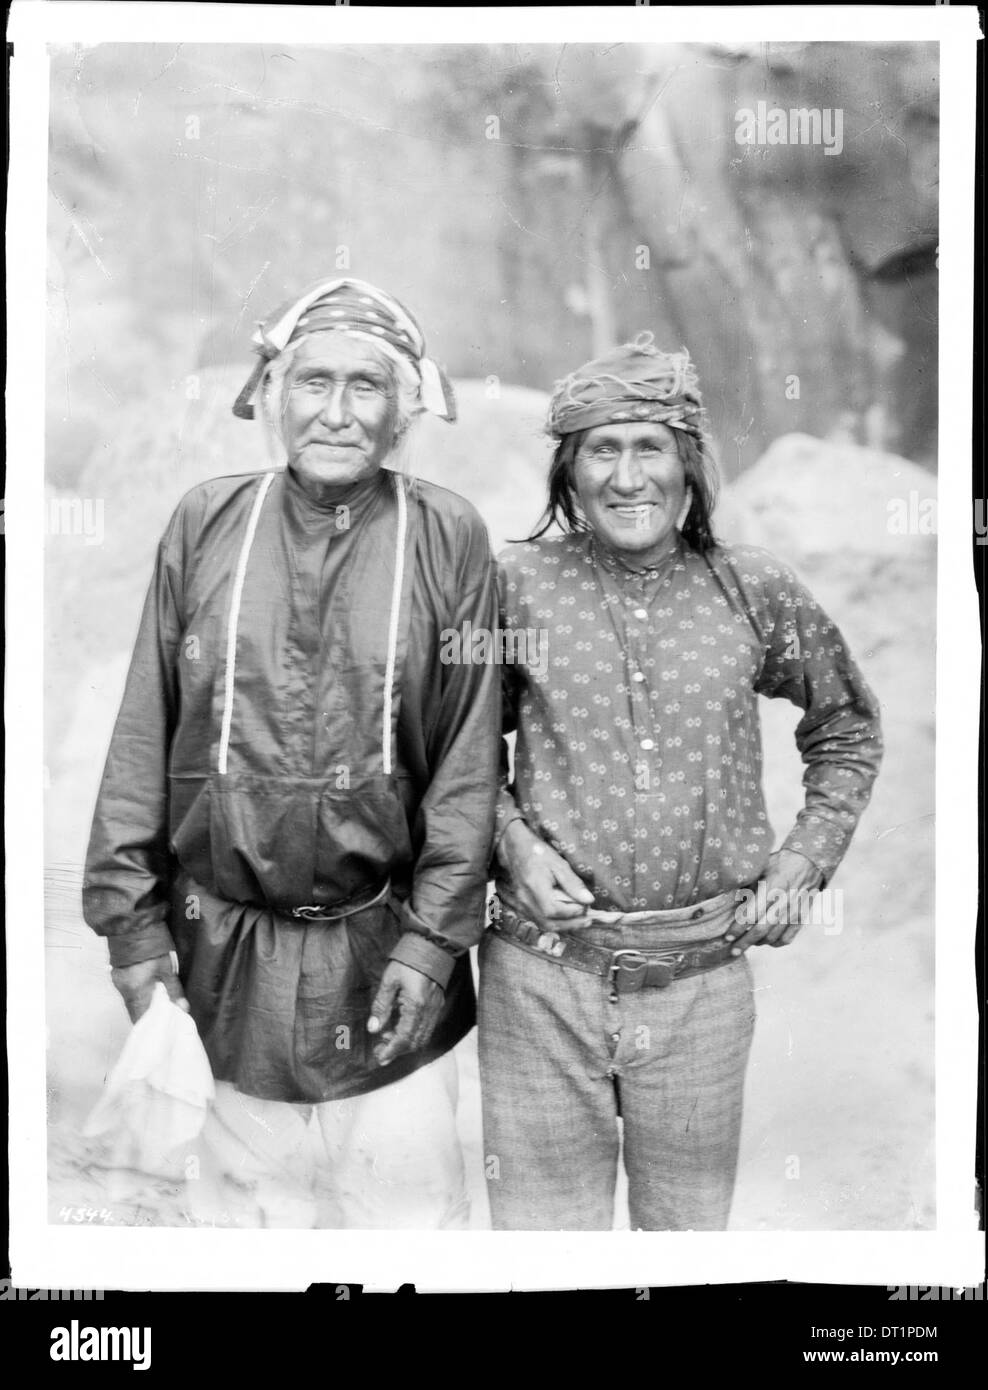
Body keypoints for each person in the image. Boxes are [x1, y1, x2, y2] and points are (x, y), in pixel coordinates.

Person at [83, 277, 500, 1229]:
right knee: (246, 1244)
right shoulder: (206, 521)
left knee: (410, 1242)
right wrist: (133, 928)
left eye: (368, 388)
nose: (339, 413)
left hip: (385, 956)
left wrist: (435, 944)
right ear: (274, 396)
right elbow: (144, 730)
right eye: (314, 384)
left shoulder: (447, 535)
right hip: (225, 965)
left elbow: (469, 759)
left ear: (404, 412)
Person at [479, 334, 883, 1231]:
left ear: (689, 466)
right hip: (539, 983)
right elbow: (448, 744)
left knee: (687, 1253)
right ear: (569, 473)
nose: (629, 477)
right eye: (602, 449)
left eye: (650, 446)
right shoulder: (513, 590)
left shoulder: (753, 590)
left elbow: (847, 726)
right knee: (544, 1266)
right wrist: (509, 837)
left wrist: (802, 865)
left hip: (701, 985)